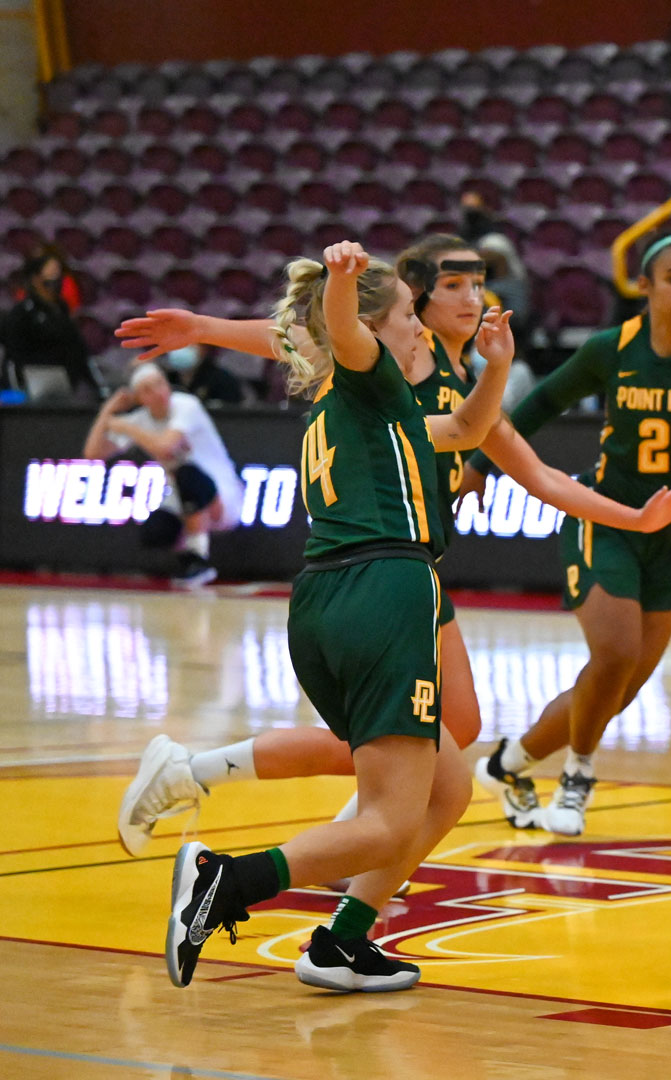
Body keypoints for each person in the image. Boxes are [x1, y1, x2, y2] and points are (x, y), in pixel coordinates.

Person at [112, 235, 671, 855]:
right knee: (410, 744)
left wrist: (634, 518)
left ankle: (282, 808)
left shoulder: (462, 386)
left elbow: (542, 476)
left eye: (479, 284)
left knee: (456, 728)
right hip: (369, 566)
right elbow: (297, 333)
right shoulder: (373, 360)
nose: (473, 297)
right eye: (456, 285)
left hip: (415, 573)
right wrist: (203, 328)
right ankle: (318, 830)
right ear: (417, 296)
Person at [162, 241, 511, 994]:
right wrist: (346, 284)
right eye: (410, 315)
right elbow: (343, 328)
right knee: (388, 819)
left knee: (445, 787)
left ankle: (340, 943)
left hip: (323, 598)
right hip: (385, 589)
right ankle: (225, 881)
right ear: (372, 330)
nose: (420, 327)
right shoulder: (365, 367)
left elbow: (467, 432)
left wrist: (498, 367)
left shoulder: (359, 403)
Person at [465, 233, 671, 836]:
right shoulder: (613, 349)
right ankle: (579, 776)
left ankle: (509, 763)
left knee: (620, 688)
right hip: (605, 518)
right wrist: (479, 465)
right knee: (613, 656)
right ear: (646, 286)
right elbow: (540, 403)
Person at [82, 361, 243, 586]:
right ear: (139, 398)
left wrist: (127, 427)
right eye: (148, 389)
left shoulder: (186, 405)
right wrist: (106, 410)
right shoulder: (141, 419)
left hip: (222, 497)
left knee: (186, 473)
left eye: (160, 383)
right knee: (154, 533)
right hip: (183, 498)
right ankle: (188, 559)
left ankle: (199, 561)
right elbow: (92, 454)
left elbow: (165, 447)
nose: (158, 391)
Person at [2, 248, 97, 399]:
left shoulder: (62, 311)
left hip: (67, 384)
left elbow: (77, 349)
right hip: (33, 384)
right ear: (35, 278)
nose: (56, 277)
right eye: (51, 272)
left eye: (58, 272)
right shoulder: (22, 313)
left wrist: (94, 385)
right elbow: (14, 356)